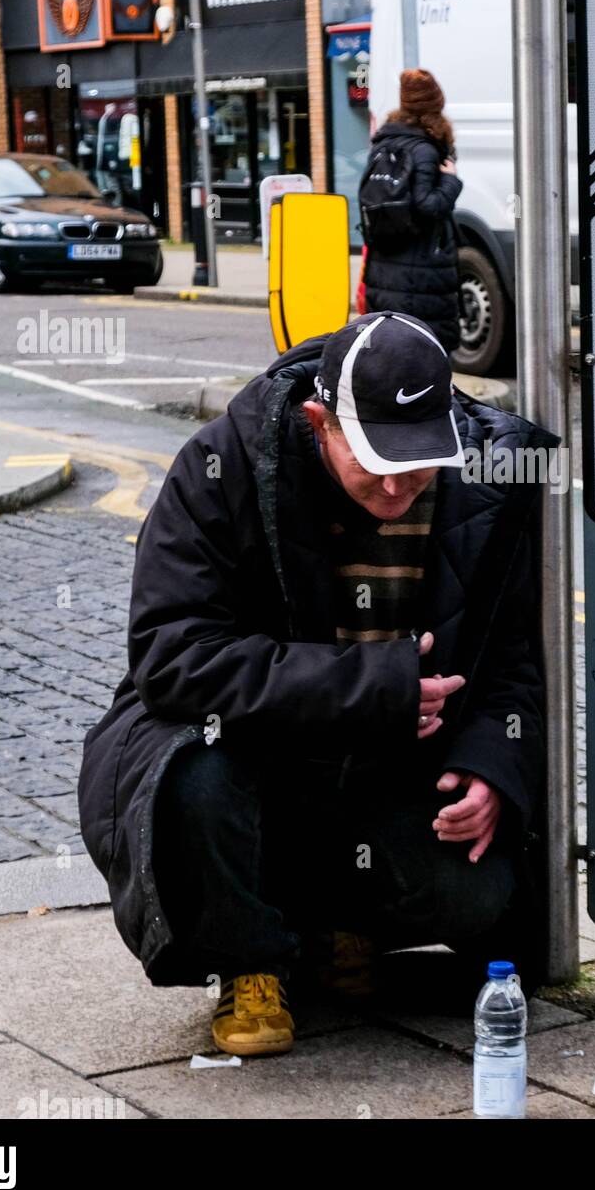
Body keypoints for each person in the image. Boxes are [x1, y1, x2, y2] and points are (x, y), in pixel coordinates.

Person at [78, 313, 558, 1057]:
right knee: (193, 782)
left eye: (418, 463)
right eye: (375, 460)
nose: (397, 486)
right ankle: (250, 959)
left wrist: (493, 765)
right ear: (319, 423)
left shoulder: (485, 485)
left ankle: (338, 926)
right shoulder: (222, 464)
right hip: (254, 757)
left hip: (392, 768)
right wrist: (372, 685)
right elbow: (172, 657)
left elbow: (512, 661)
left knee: (476, 892)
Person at [359, 68, 463, 353]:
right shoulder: (424, 150)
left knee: (391, 353)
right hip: (421, 276)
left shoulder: (382, 145)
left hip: (383, 270)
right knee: (426, 355)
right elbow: (428, 205)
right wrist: (451, 181)